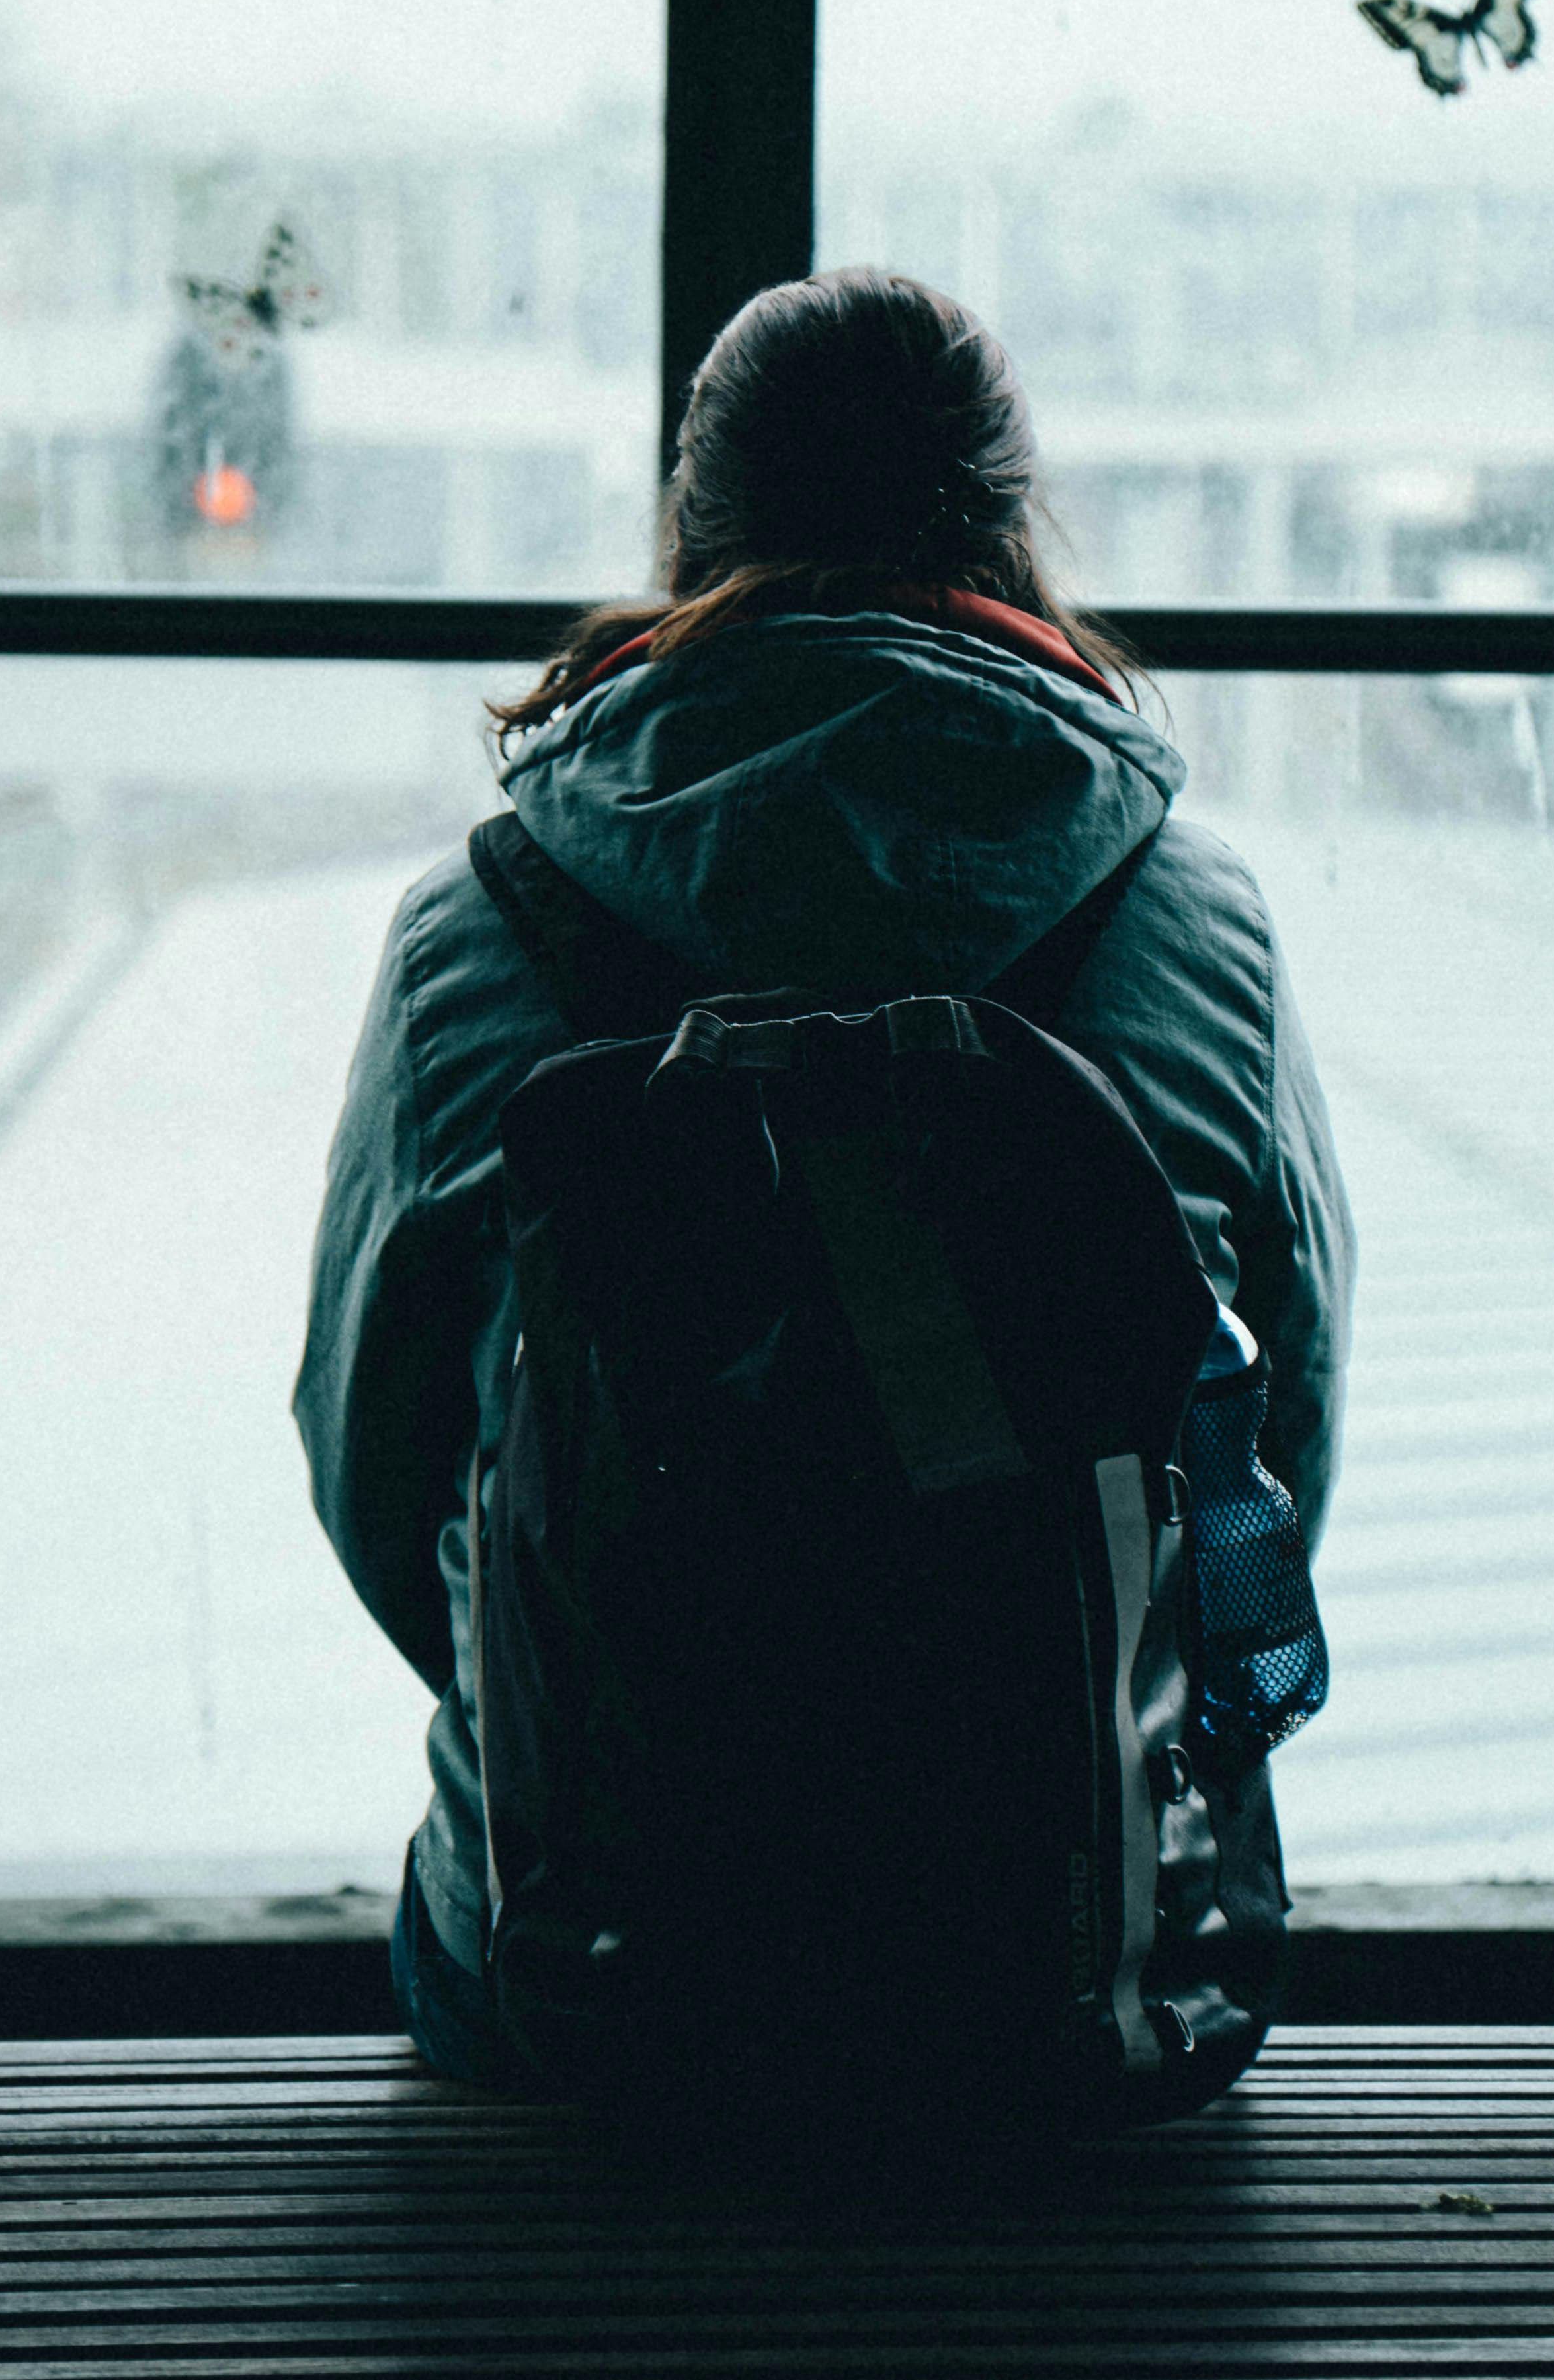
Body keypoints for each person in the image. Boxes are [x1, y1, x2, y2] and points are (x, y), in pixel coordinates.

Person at [294, 267, 1356, 2092]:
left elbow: (378, 1459)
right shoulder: (1194, 923)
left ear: (690, 529)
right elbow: (1274, 1446)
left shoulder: (477, 928)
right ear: (1017, 529)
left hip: (593, 1985)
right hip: (1080, 1995)